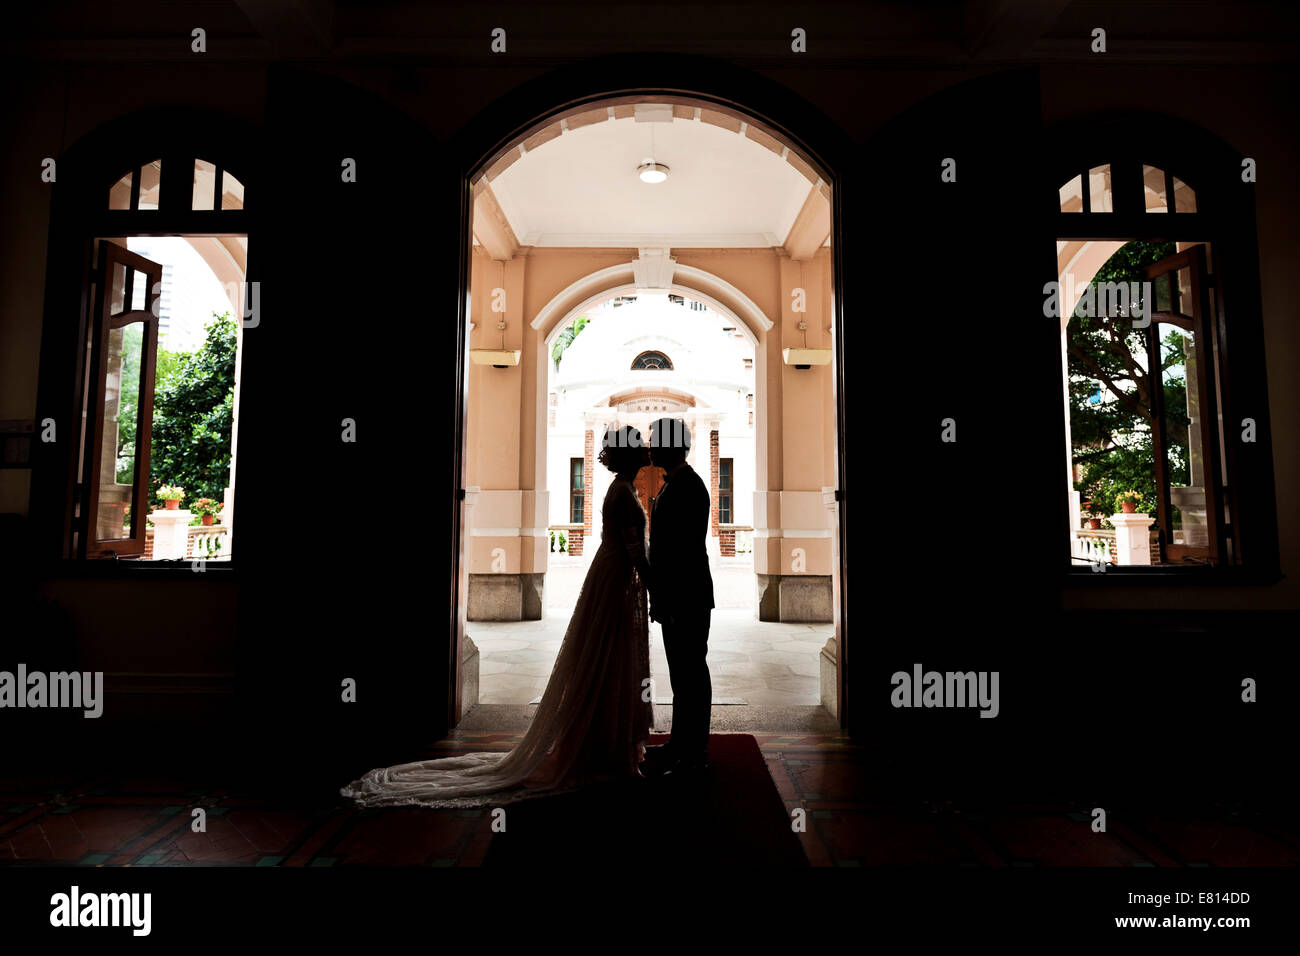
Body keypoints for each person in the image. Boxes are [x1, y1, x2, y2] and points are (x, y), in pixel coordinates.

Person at [340, 425, 653, 808]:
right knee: (608, 657)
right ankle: (606, 745)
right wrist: (655, 584)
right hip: (617, 575)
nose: (646, 451)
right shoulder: (623, 491)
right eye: (641, 446)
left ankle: (605, 742)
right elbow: (634, 548)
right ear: (629, 453)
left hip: (612, 574)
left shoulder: (621, 488)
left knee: (607, 659)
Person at [643, 417, 715, 777]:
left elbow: (681, 553)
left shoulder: (687, 486)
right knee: (682, 676)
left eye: (656, 439)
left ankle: (693, 752)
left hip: (687, 596)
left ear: (673, 445)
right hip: (681, 595)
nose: (651, 445)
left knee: (691, 675)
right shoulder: (680, 483)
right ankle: (680, 743)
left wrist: (666, 598)